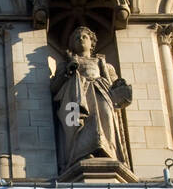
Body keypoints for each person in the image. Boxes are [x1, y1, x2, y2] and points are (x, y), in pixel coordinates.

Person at [51, 25, 132, 167]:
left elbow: (115, 84)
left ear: (91, 42)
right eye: (76, 38)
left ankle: (107, 151)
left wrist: (121, 85)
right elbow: (54, 87)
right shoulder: (65, 64)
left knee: (105, 118)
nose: (80, 39)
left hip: (100, 92)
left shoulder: (104, 64)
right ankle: (79, 154)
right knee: (76, 123)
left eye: (84, 37)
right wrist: (68, 71)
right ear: (72, 44)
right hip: (74, 96)